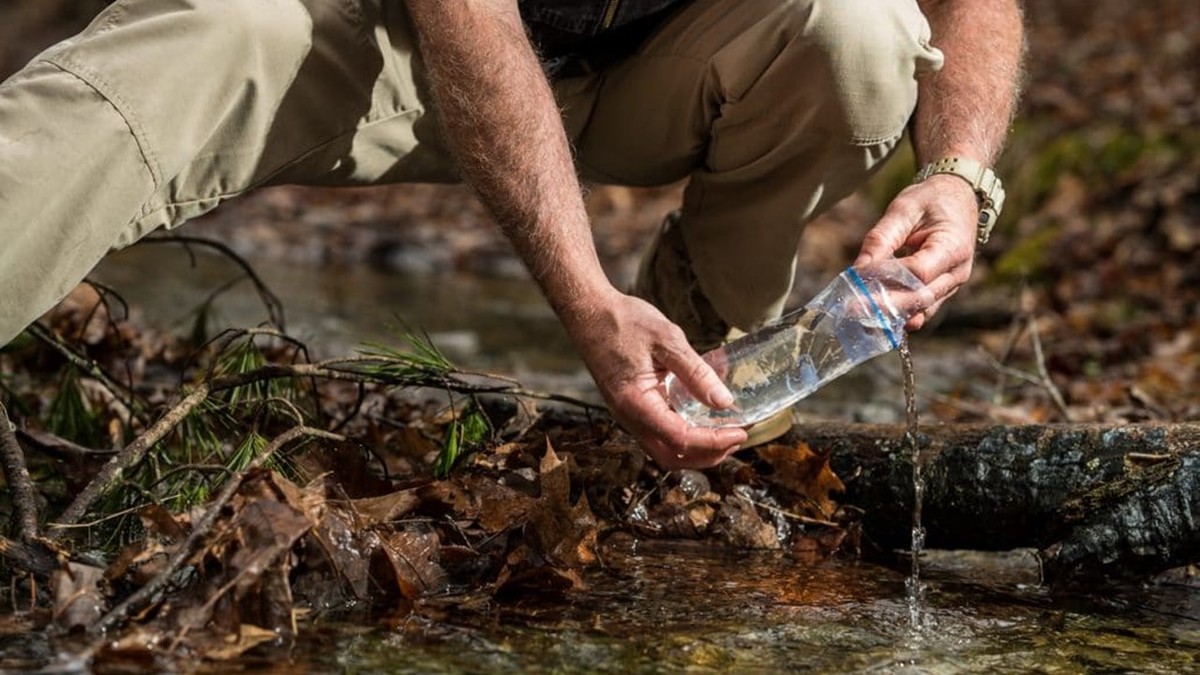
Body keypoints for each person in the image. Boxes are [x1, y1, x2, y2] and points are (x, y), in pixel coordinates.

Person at [0, 0, 1024, 471]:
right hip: (377, 32)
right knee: (192, 54)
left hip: (651, 62)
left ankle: (701, 375)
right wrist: (585, 297)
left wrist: (958, 173)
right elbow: (468, 18)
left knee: (859, 34)